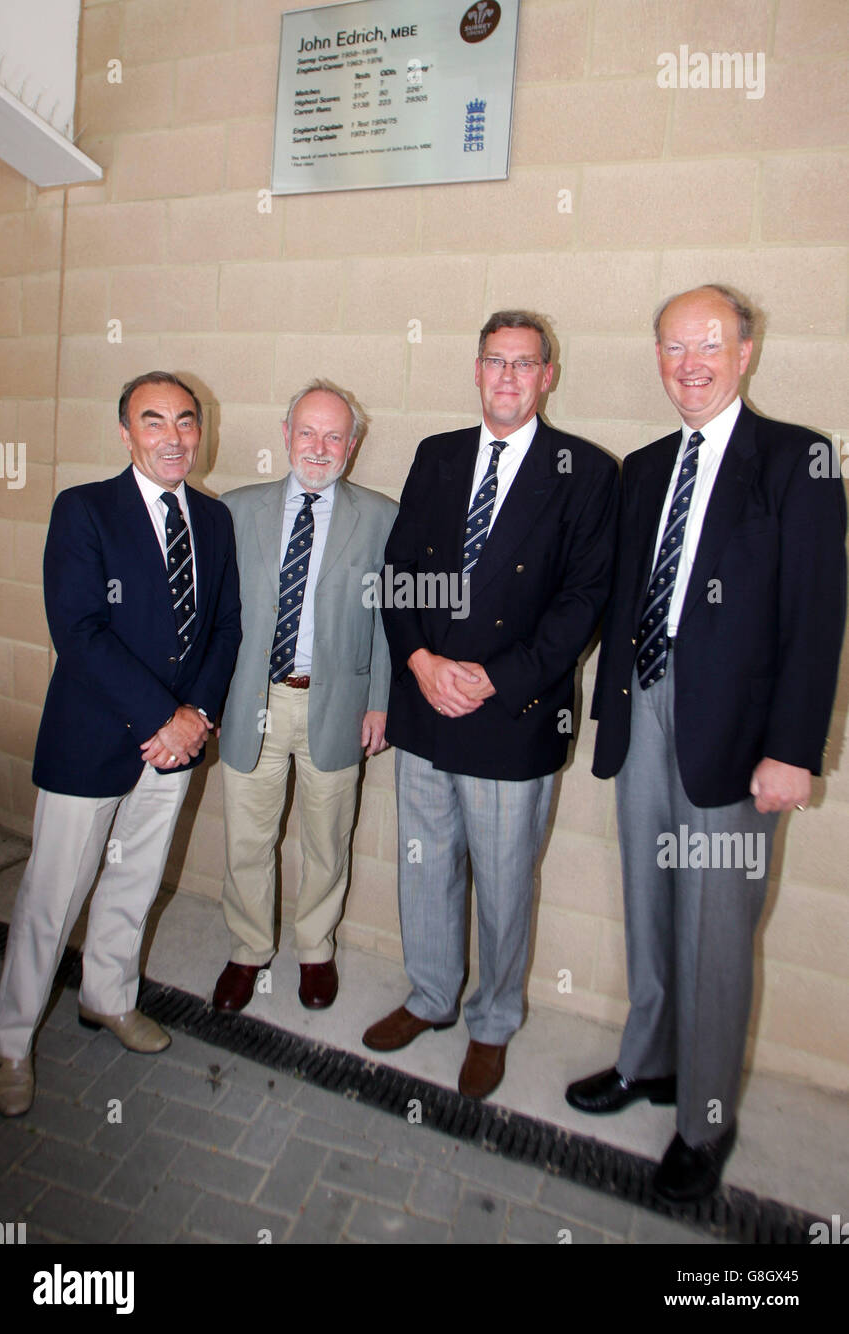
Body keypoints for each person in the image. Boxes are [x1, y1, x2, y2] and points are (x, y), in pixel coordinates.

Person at [566, 285, 847, 1202]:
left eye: (709, 345)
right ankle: (651, 1062)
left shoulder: (797, 459)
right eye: (674, 347)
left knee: (718, 930)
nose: (690, 364)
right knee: (649, 901)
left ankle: (706, 1121)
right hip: (644, 710)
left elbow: (817, 619)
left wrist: (793, 750)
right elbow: (615, 599)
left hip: (739, 733)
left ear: (746, 350)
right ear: (657, 358)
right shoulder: (644, 466)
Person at [362, 310, 619, 1100]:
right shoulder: (437, 457)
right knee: (424, 865)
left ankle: (494, 1020)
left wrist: (496, 677)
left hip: (513, 713)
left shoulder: (586, 469)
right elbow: (399, 571)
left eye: (523, 363)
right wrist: (419, 659)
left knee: (506, 883)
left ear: (548, 375)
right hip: (425, 702)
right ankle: (432, 997)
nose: (506, 377)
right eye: (493, 362)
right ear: (476, 371)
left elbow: (583, 601)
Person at [0, 372, 241, 1117]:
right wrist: (164, 718)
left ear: (201, 430)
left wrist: (194, 715)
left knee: (135, 882)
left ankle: (108, 997)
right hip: (94, 738)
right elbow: (80, 630)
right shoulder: (84, 510)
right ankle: (9, 1042)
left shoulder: (216, 521)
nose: (173, 437)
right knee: (50, 897)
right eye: (153, 421)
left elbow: (227, 626)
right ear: (125, 433)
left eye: (185, 421)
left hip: (175, 745)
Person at [212, 380, 397, 1015]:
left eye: (334, 435)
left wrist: (381, 701)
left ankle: (315, 950)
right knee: (246, 839)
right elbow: (215, 618)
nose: (320, 447)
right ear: (286, 435)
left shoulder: (381, 516)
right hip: (251, 702)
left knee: (328, 838)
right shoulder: (235, 510)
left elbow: (390, 621)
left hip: (335, 704)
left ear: (353, 443)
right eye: (308, 433)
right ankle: (247, 949)